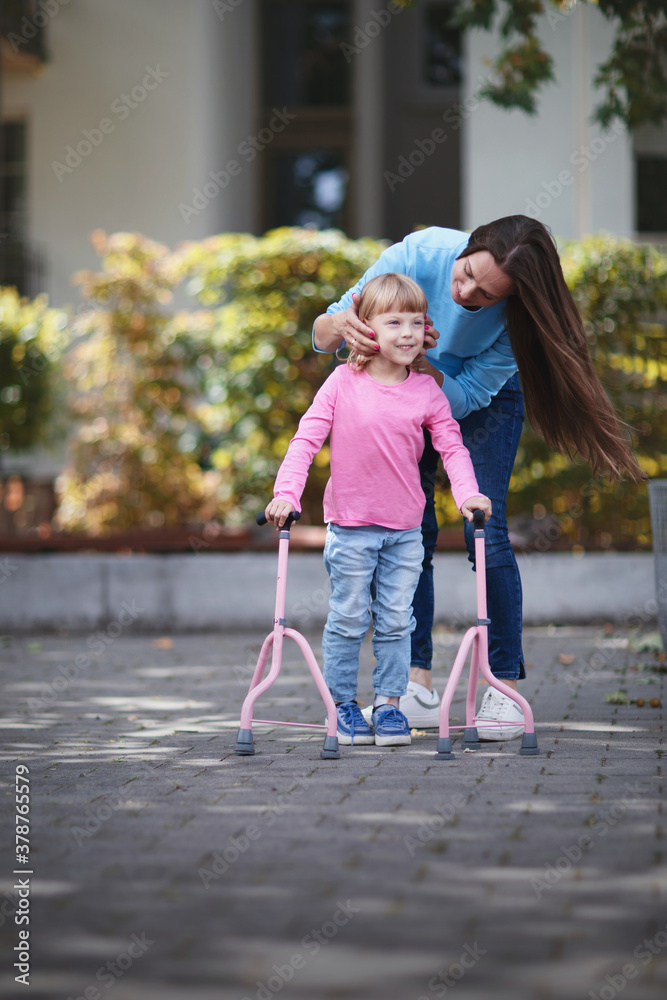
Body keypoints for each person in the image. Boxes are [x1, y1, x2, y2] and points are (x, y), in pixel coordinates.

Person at [313, 216, 644, 739]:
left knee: (483, 526)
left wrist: (429, 371)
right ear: (465, 250)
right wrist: (341, 328)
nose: (464, 292)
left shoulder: (519, 320)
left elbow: (467, 398)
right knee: (408, 528)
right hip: (400, 384)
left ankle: (504, 685)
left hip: (466, 392)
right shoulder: (420, 253)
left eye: (484, 295)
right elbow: (325, 328)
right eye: (466, 273)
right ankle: (416, 683)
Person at [265, 273, 491, 747]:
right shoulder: (342, 383)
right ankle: (342, 707)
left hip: (405, 530)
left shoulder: (427, 390)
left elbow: (451, 447)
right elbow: (306, 440)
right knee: (348, 618)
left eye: (415, 321)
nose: (407, 332)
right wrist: (287, 492)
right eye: (394, 322)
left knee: (395, 620)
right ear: (366, 327)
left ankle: (389, 708)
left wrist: (468, 493)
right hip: (349, 527)